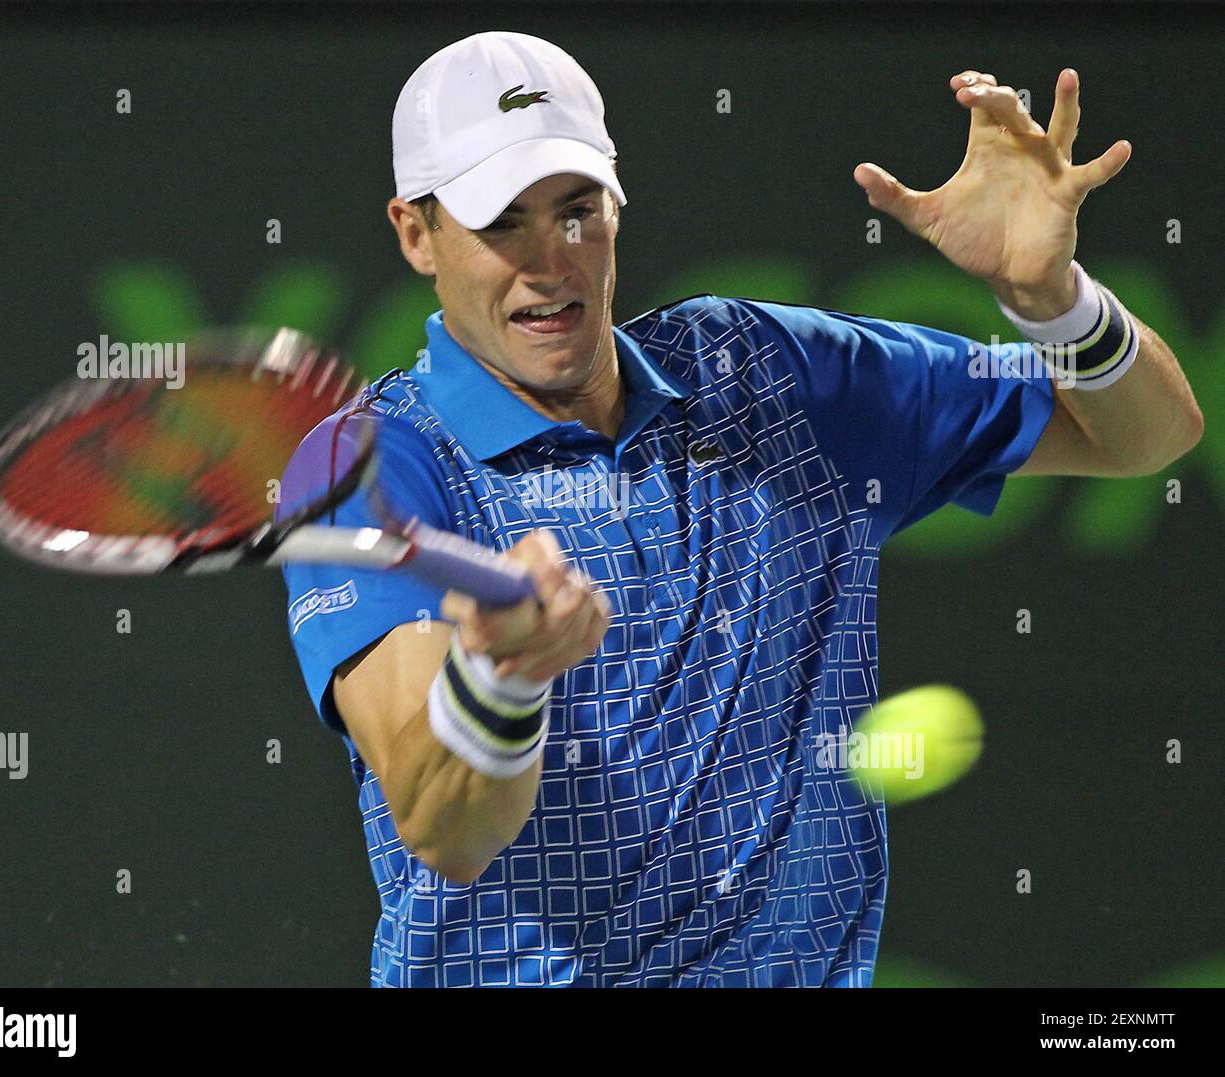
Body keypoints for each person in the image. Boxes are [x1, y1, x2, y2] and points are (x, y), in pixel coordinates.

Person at [278, 32, 1202, 987]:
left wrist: (1049, 296)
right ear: (415, 231)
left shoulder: (770, 376)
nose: (552, 261)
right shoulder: (372, 467)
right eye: (502, 223)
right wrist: (503, 682)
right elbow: (446, 829)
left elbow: (1146, 435)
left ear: (616, 204)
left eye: (577, 211)